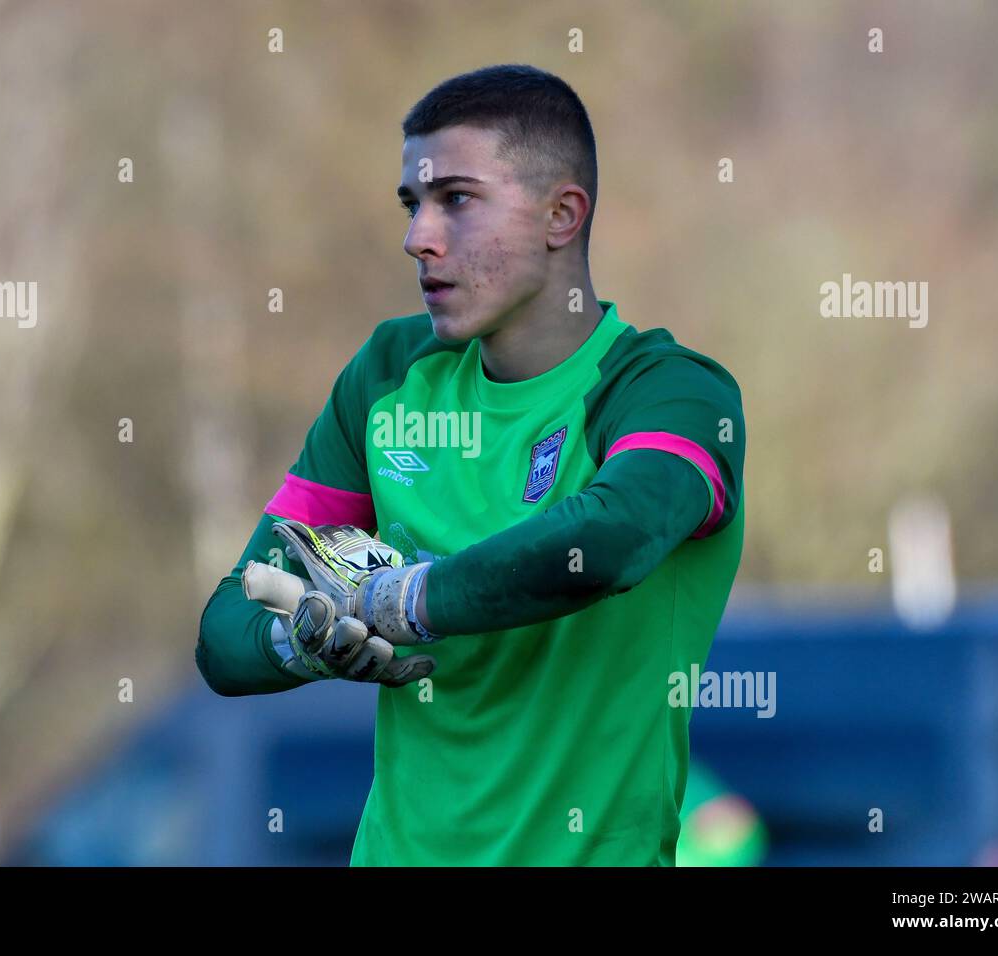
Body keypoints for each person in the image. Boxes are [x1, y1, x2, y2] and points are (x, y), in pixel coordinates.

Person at [197, 64, 746, 866]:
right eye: (411, 205)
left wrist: (403, 599)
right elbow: (224, 631)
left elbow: (611, 538)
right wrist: (303, 644)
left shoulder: (668, 390)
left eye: (455, 198)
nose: (418, 236)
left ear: (563, 214)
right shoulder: (388, 373)